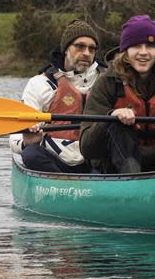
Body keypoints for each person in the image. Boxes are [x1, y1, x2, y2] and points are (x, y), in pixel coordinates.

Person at [79, 15, 155, 174]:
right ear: (125, 51)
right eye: (137, 46)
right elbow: (87, 148)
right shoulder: (107, 83)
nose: (144, 53)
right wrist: (111, 116)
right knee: (119, 126)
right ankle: (133, 182)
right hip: (119, 165)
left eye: (150, 46)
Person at [10, 19, 103, 173]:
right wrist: (26, 142)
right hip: (57, 163)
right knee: (31, 154)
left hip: (95, 162)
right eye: (79, 46)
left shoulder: (106, 81)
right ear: (66, 49)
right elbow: (15, 138)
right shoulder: (40, 84)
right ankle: (65, 186)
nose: (86, 53)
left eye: (92, 49)